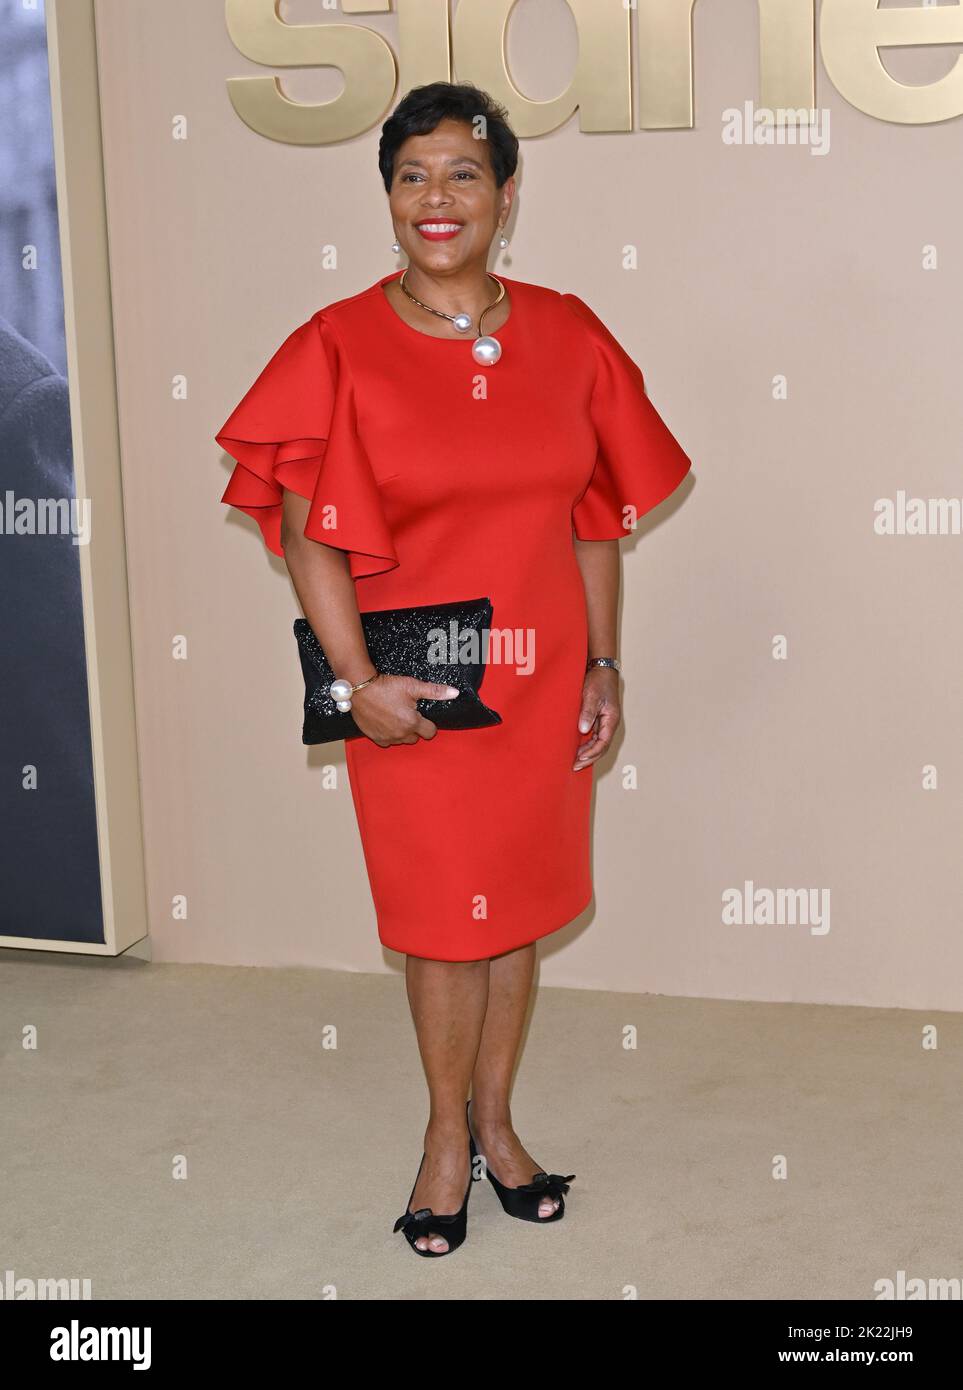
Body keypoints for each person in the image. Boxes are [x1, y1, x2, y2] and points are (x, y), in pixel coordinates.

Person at [215, 82, 691, 1258]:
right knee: (441, 920)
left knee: (516, 905)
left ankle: (498, 1124)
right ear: (387, 196)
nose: (440, 196)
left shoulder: (570, 334)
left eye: (464, 173)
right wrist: (352, 678)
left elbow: (596, 516)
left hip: (538, 680)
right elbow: (303, 528)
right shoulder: (335, 344)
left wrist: (605, 663)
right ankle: (444, 1140)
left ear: (506, 193)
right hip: (416, 687)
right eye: (415, 174)